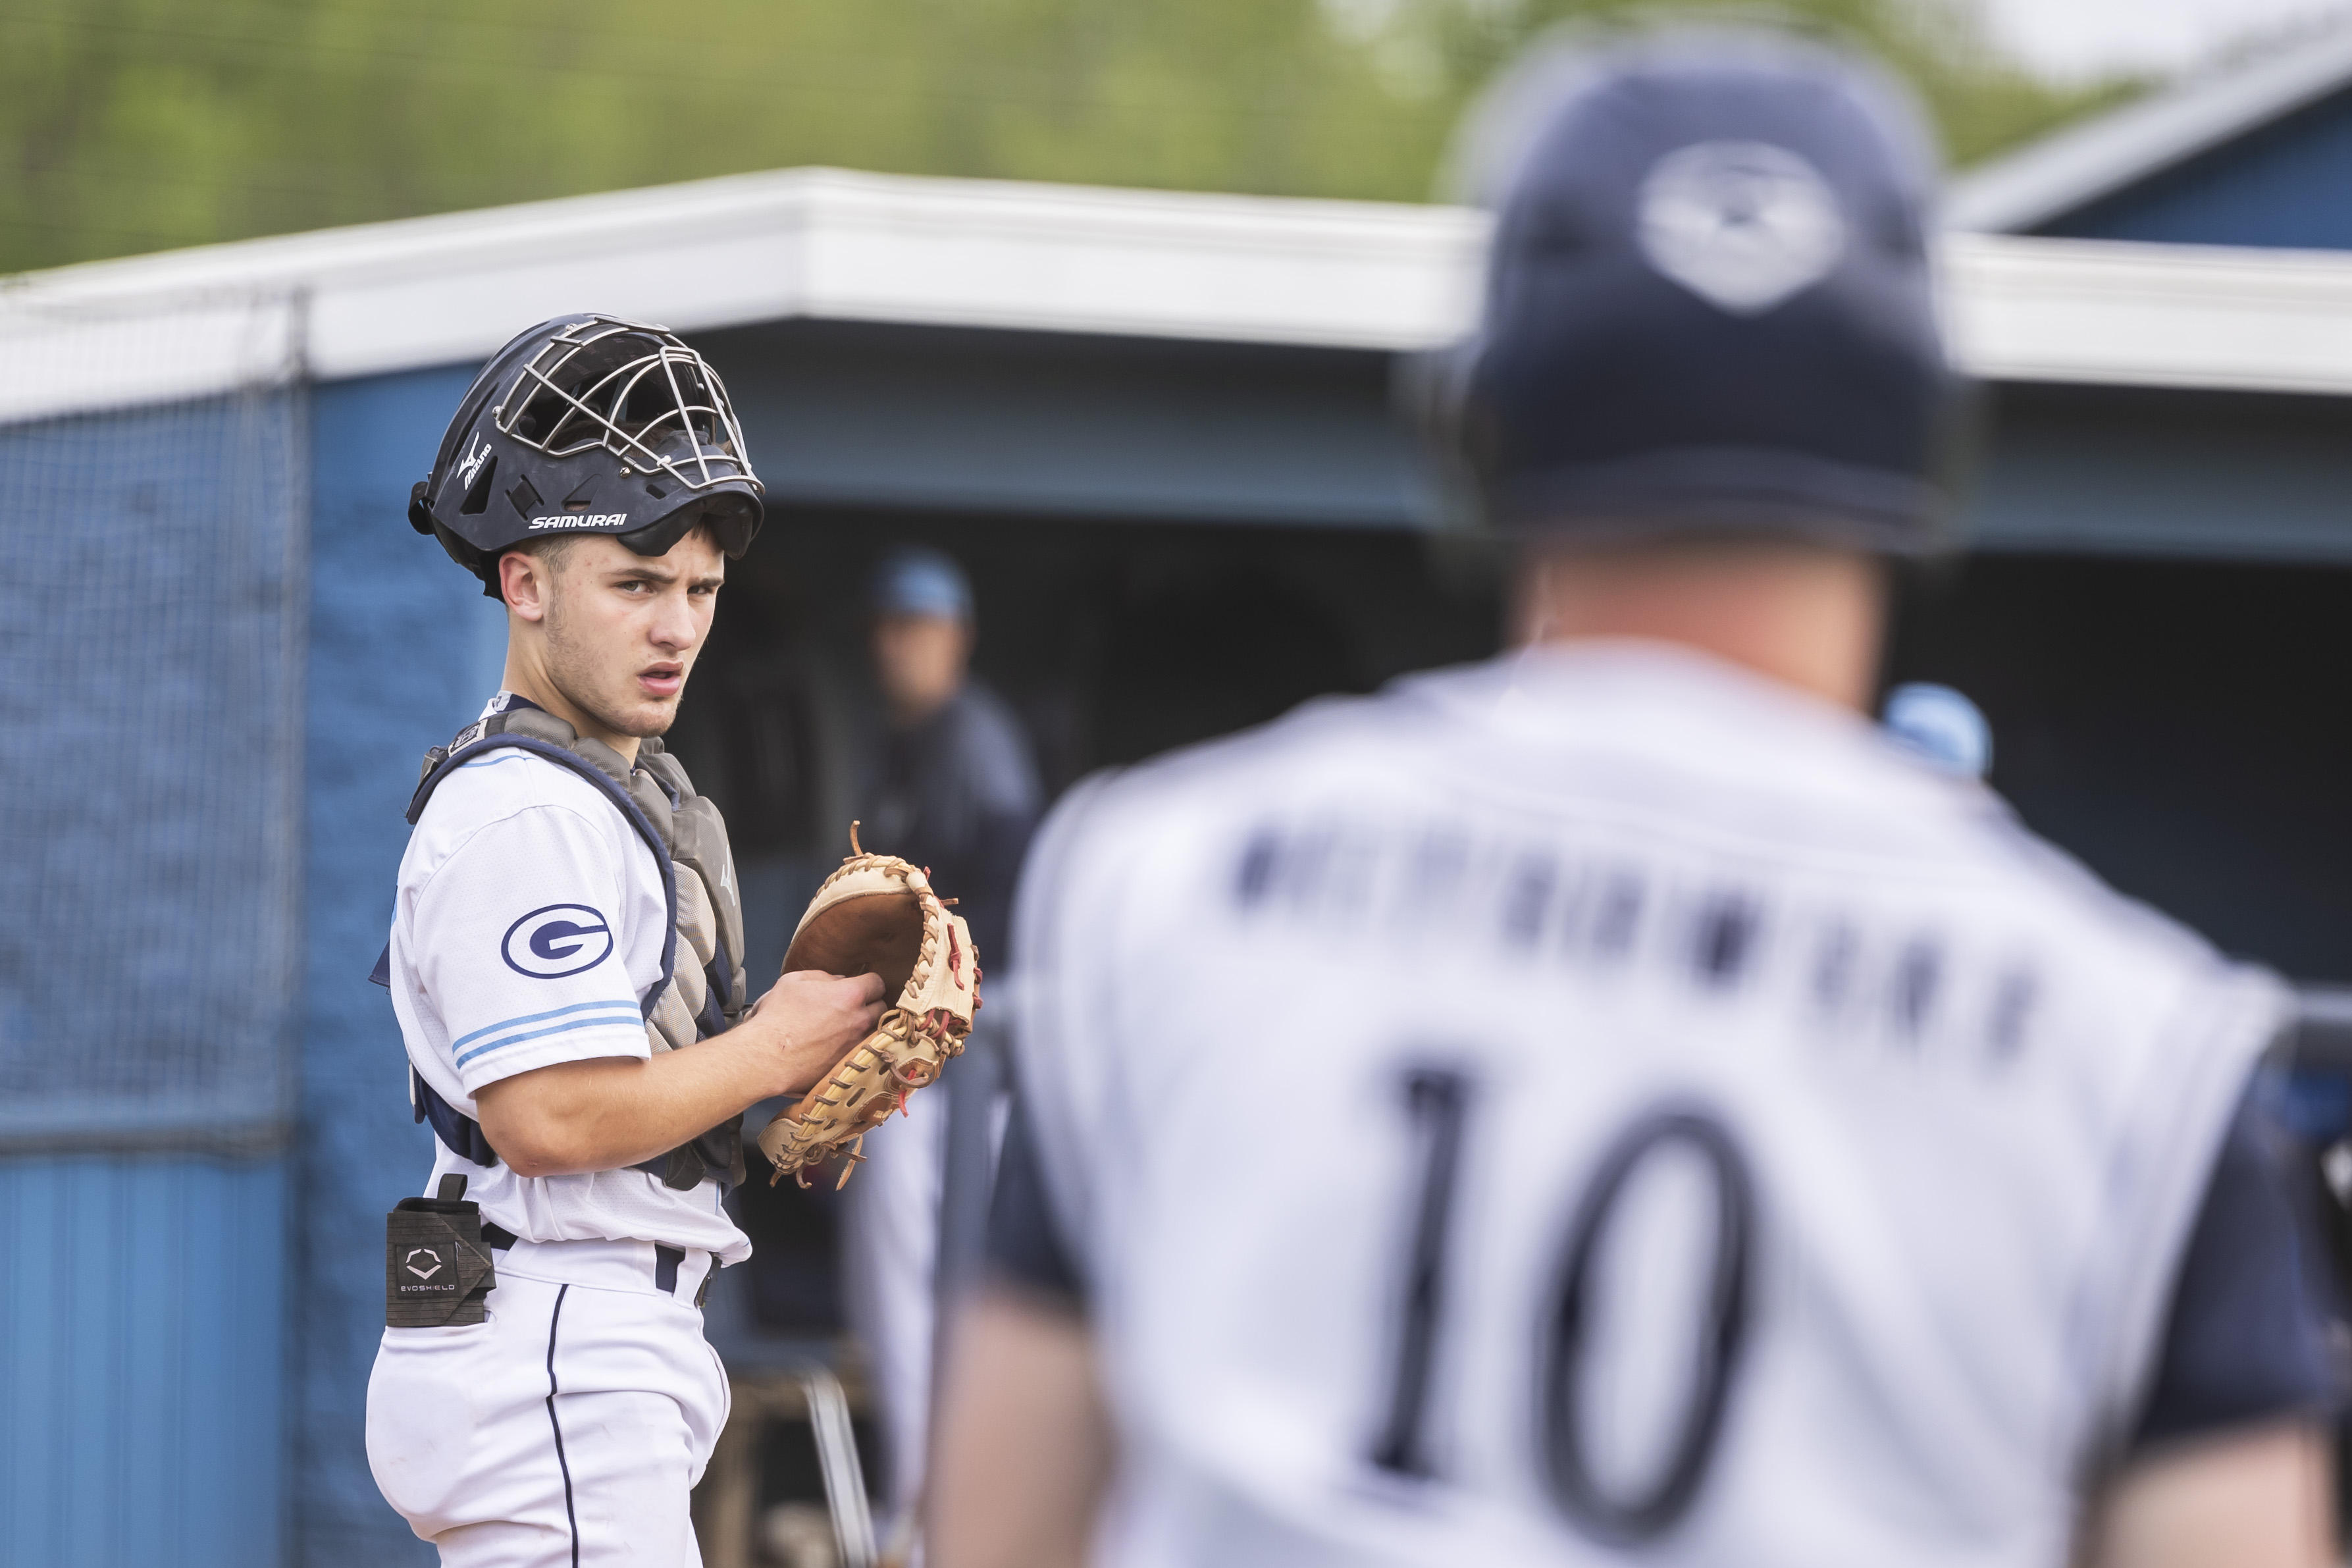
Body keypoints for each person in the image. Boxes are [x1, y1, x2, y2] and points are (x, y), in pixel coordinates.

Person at [931, 28, 2343, 1568]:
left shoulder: (1166, 879)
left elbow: (1000, 1535)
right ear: (1927, 449)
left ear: (1475, 426)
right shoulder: (2132, 1048)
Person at [365, 314, 886, 1567]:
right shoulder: (530, 809)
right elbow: (552, 1117)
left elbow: (615, 1102)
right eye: (636, 582)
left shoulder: (601, 791)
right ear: (525, 582)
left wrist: (777, 1098)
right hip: (557, 1344)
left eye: (699, 588)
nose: (677, 627)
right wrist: (772, 1046)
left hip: (573, 1336)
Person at [842, 544, 1044, 1538]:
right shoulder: (908, 744)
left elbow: (1011, 912)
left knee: (947, 1270)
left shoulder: (976, 741)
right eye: (891, 627)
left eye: (920, 628)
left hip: (971, 1059)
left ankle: (937, 1504)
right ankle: (922, 1499)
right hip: (927, 1052)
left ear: (955, 639)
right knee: (901, 1263)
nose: (902, 647)